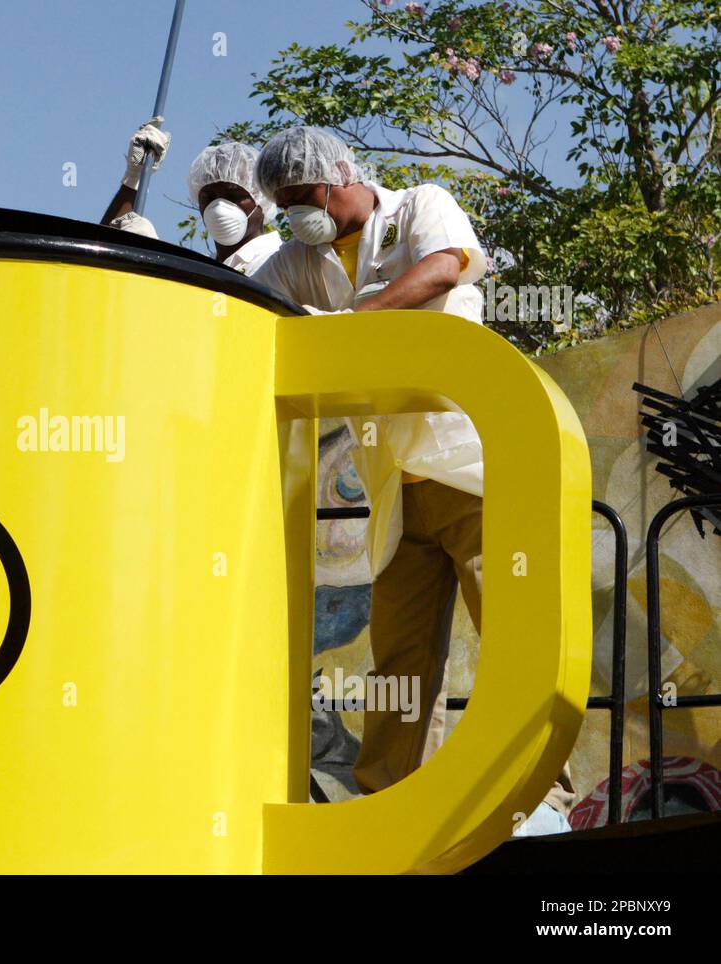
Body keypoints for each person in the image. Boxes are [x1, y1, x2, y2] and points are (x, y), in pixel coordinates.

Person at [251, 127, 575, 835]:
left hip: (472, 463)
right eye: (284, 205)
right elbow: (243, 306)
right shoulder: (302, 261)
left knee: (512, 632)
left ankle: (541, 798)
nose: (298, 212)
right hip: (395, 483)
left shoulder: (419, 206)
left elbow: (446, 267)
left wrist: (346, 325)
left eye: (304, 196)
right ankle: (387, 800)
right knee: (399, 655)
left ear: (340, 175)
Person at [100, 120, 280, 275]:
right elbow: (100, 249)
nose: (218, 206)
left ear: (262, 199)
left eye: (234, 195)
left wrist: (158, 263)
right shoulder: (205, 267)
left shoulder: (278, 260)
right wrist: (134, 177)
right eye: (209, 196)